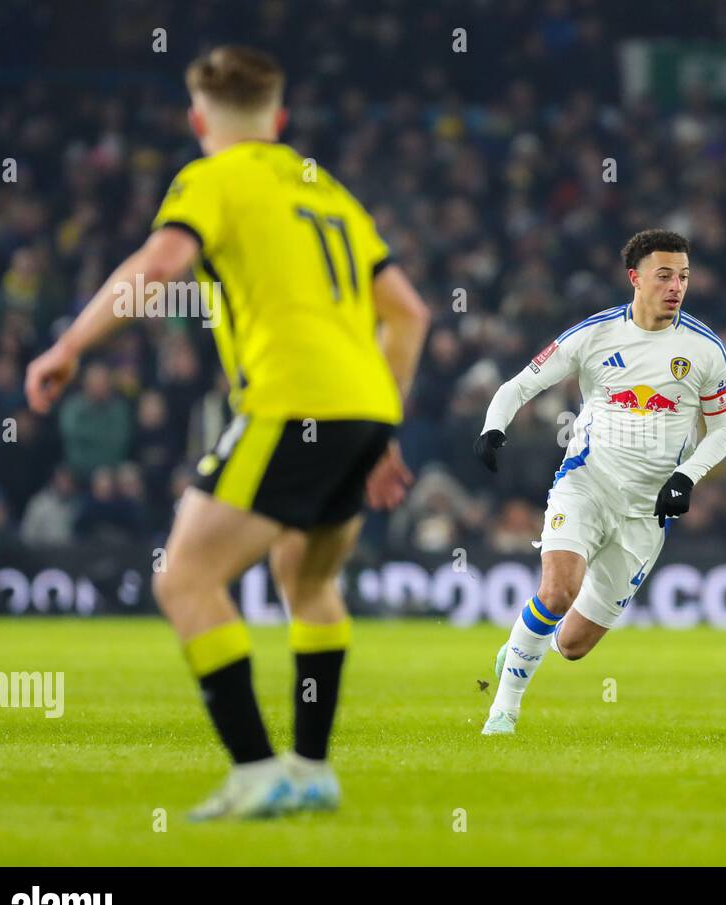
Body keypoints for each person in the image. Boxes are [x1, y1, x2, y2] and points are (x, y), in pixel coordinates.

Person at [23, 46, 430, 820]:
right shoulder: (329, 191)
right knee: (307, 583)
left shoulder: (210, 179)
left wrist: (72, 346)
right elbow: (409, 311)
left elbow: (161, 262)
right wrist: (384, 424)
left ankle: (254, 770)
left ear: (197, 119)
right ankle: (311, 769)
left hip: (290, 404)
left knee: (183, 579)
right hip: (363, 408)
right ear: (278, 119)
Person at [473, 229, 726, 734]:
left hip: (647, 513)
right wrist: (492, 428)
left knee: (572, 645)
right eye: (664, 275)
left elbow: (724, 431)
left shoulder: (706, 350)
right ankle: (502, 712)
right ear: (635, 278)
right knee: (557, 590)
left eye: (683, 276)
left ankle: (522, 645)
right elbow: (520, 384)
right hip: (587, 484)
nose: (676, 286)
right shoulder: (593, 335)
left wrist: (686, 477)